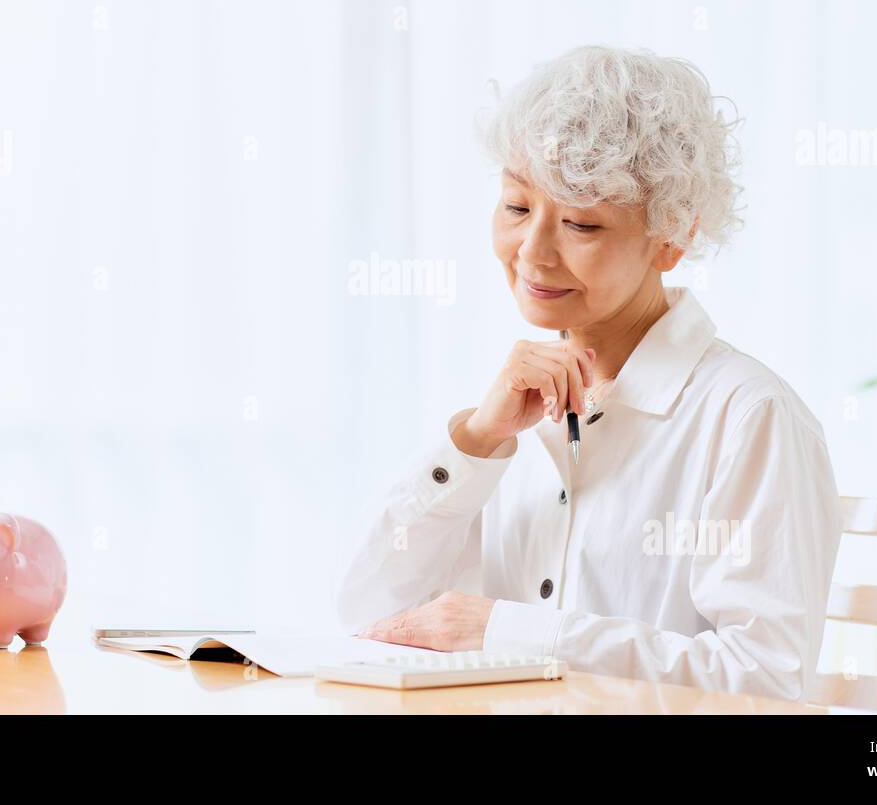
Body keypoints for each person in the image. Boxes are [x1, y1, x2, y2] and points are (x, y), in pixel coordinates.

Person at [336, 45, 841, 703]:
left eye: (580, 222)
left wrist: (511, 629)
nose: (533, 252)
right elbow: (368, 610)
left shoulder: (749, 416)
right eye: (517, 207)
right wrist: (476, 441)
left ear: (672, 236)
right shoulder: (519, 411)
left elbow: (768, 682)